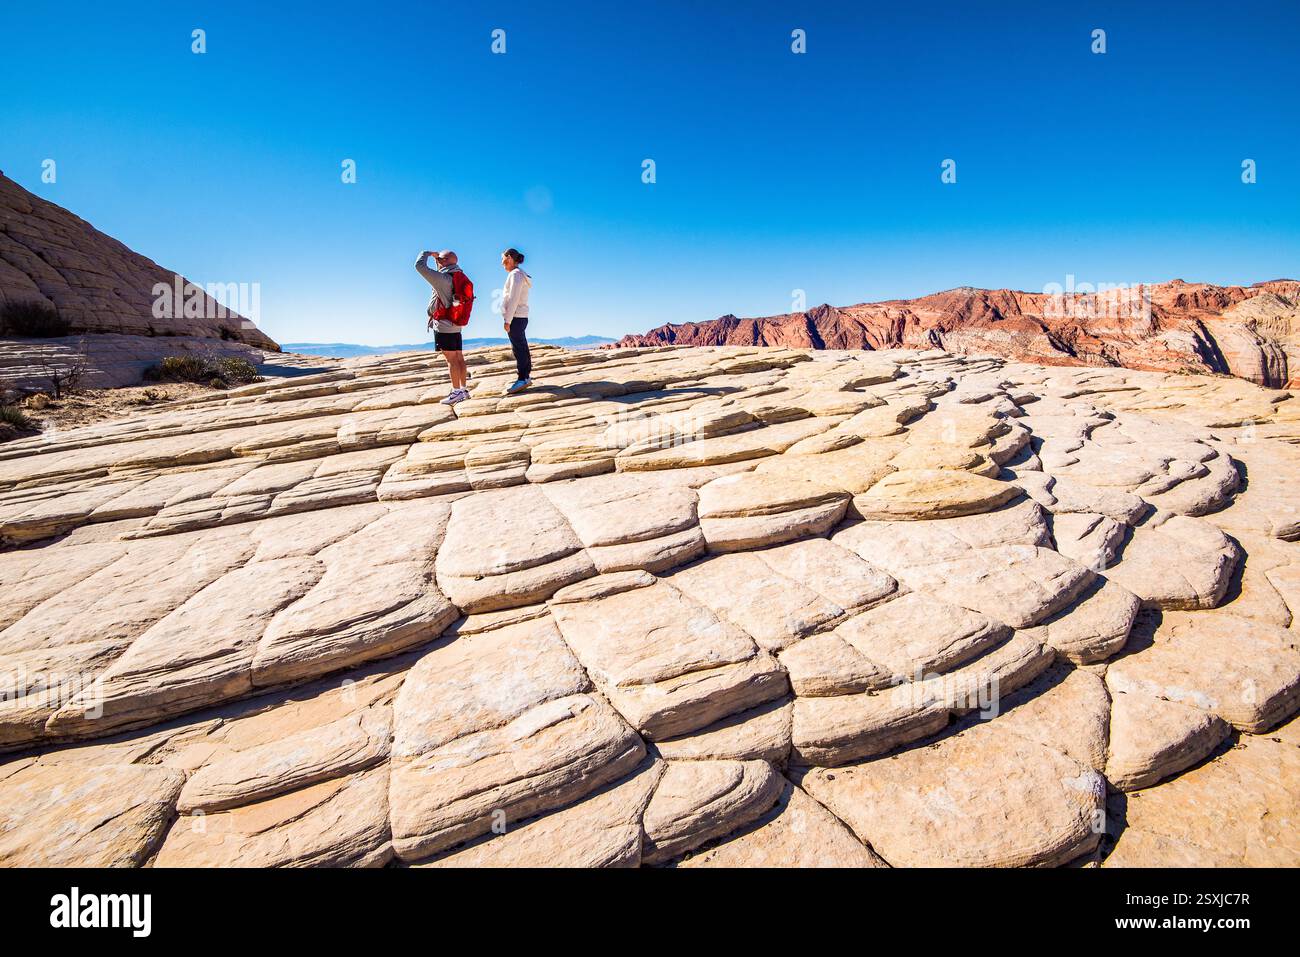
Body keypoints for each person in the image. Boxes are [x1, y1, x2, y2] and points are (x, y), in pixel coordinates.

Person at [415, 249, 470, 404]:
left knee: (451, 360)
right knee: (459, 357)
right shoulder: (460, 276)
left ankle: (456, 392)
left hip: (444, 323)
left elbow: (419, 267)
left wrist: (426, 253)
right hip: (456, 323)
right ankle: (463, 390)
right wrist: (438, 260)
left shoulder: (442, 278)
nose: (437, 261)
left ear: (444, 261)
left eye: (439, 259)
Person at [500, 247, 532, 394]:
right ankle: (525, 377)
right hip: (519, 316)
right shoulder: (519, 274)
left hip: (516, 317)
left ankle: (522, 378)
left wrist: (507, 320)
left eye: (503, 259)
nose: (502, 263)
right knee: (522, 347)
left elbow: (513, 299)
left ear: (510, 258)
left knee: (518, 349)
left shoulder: (516, 275)